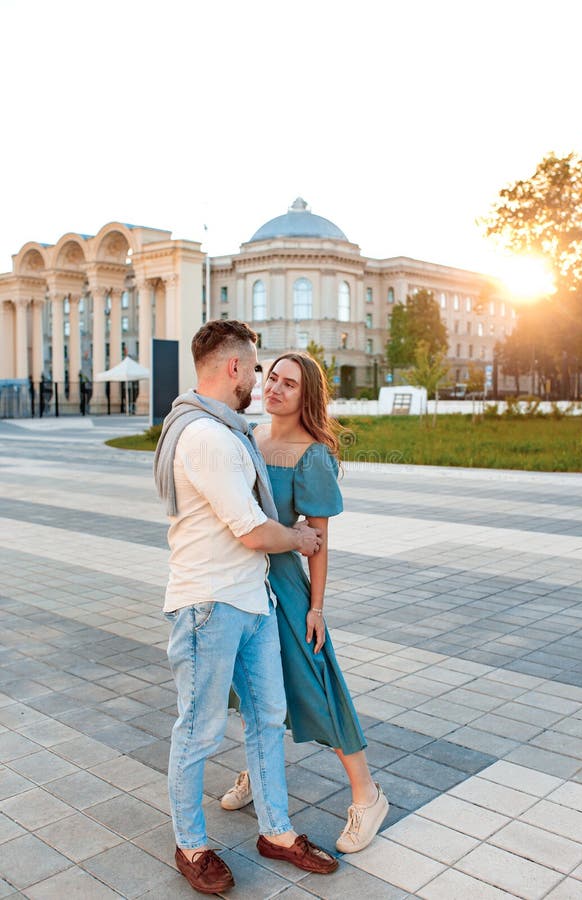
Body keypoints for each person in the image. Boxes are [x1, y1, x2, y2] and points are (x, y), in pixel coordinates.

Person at [154, 321, 339, 895]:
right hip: (209, 604)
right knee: (199, 730)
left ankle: (276, 833)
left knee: (266, 720)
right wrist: (302, 540)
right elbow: (254, 531)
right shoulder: (207, 438)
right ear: (233, 368)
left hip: (249, 600)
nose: (258, 380)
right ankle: (191, 844)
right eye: (256, 368)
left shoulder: (225, 430)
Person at [222, 352, 389, 854]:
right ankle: (260, 769)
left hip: (287, 589)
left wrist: (316, 608)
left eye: (288, 384)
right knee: (252, 686)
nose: (274, 388)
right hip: (240, 581)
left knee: (315, 682)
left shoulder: (312, 454)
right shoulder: (249, 436)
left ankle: (367, 794)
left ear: (305, 396)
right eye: (271, 377)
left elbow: (317, 540)